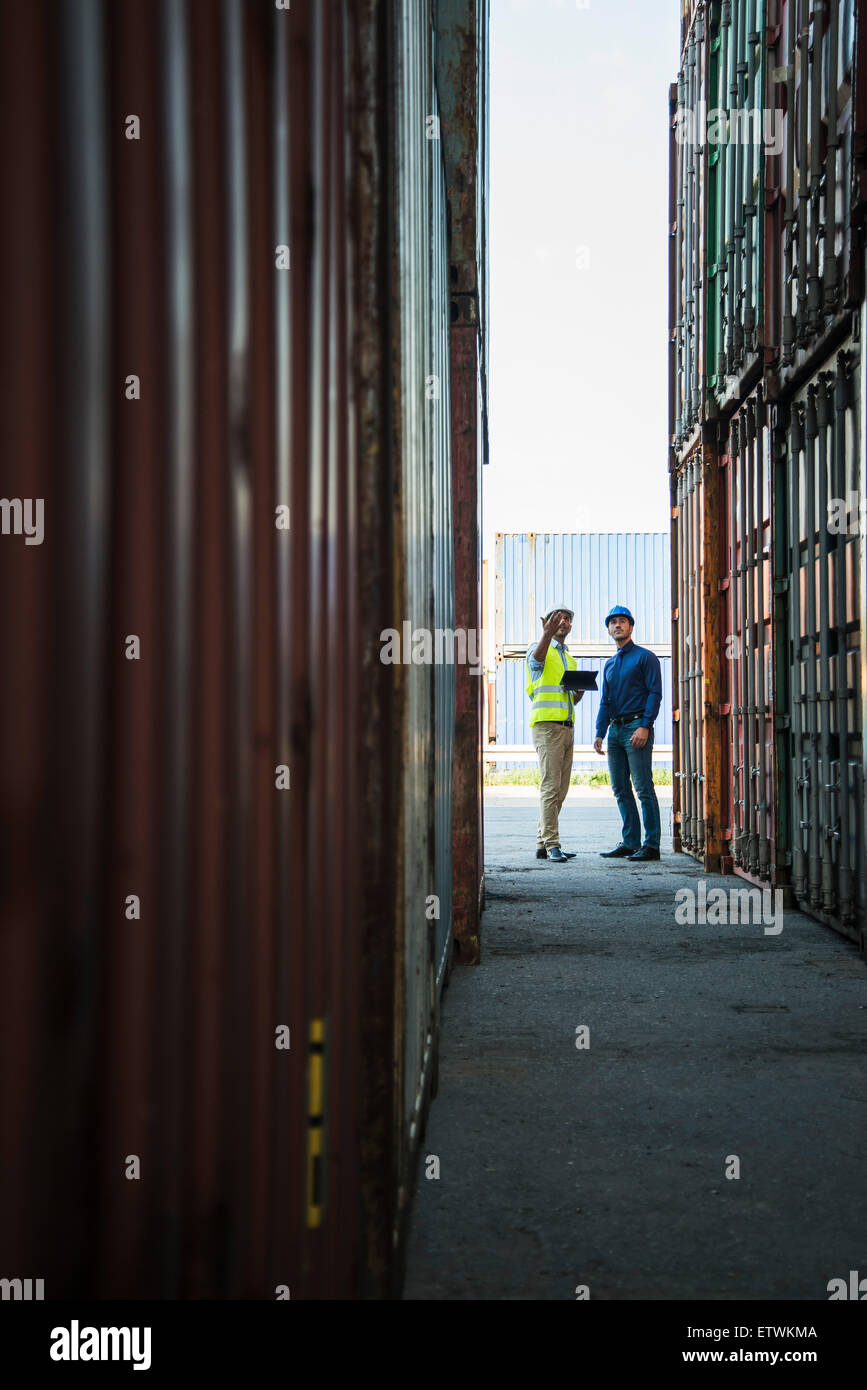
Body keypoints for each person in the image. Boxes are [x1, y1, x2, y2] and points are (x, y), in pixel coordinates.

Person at [593, 605, 663, 862]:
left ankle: (651, 845)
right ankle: (631, 841)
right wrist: (600, 732)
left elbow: (655, 693)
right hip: (615, 730)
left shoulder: (646, 658)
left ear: (631, 627)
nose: (618, 625)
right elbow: (605, 702)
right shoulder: (610, 665)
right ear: (609, 629)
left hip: (636, 728)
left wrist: (645, 725)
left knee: (643, 787)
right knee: (620, 788)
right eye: (613, 622)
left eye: (622, 621)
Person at [525, 606, 584, 862]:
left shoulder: (569, 659)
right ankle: (552, 844)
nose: (563, 622)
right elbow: (536, 663)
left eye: (567, 619)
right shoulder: (538, 648)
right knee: (550, 787)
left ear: (570, 627)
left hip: (567, 727)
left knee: (561, 788)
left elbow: (570, 697)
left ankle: (542, 842)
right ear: (548, 624)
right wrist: (545, 636)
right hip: (547, 726)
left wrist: (578, 693)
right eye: (557, 618)